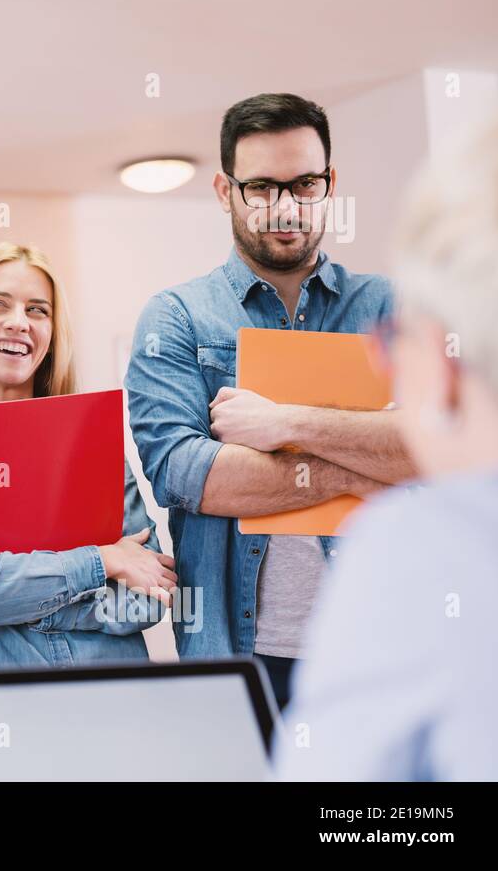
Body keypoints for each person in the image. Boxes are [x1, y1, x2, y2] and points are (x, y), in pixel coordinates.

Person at [125, 93, 415, 709]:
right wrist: (360, 466)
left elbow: (433, 449)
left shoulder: (387, 305)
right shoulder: (175, 317)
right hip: (236, 652)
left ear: (329, 183)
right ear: (225, 190)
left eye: (304, 183)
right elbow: (188, 477)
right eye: (260, 187)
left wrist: (284, 423)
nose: (284, 208)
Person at [275, 107, 498, 780]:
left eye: (393, 338)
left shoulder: (424, 544)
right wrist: (357, 462)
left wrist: (287, 424)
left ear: (440, 356)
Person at [0, 243, 173, 668]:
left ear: (52, 332)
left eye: (38, 310)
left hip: (110, 708)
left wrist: (19, 602)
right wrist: (103, 561)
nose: (18, 323)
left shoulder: (94, 442)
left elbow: (149, 598)